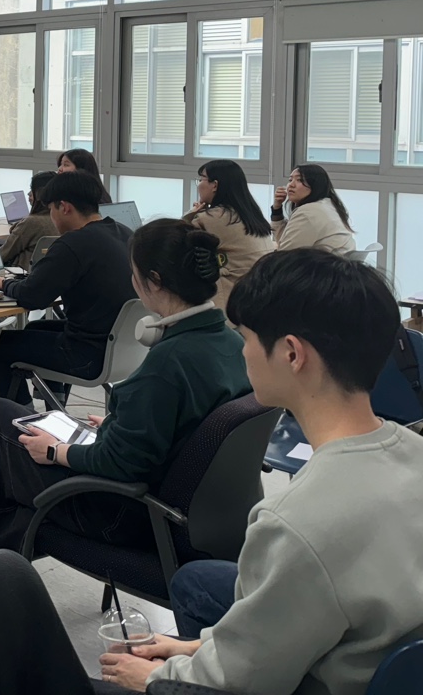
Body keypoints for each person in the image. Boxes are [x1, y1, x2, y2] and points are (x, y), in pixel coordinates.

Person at [99, 249, 423, 694]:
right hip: (383, 648)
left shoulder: (296, 523)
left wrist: (157, 677)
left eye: (246, 337)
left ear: (292, 354)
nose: (243, 350)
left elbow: (242, 680)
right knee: (199, 581)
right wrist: (197, 648)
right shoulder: (412, 449)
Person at [0, 218, 251, 596]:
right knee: (5, 438)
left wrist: (58, 451)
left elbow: (119, 464)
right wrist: (120, 423)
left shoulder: (168, 365)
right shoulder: (233, 345)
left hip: (121, 510)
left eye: (132, 274)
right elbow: (180, 426)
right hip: (186, 508)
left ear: (153, 281)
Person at [0, 171, 134, 401]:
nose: (51, 216)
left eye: (51, 209)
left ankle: (18, 418)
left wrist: (5, 284)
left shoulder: (73, 244)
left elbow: (32, 297)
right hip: (125, 350)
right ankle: (56, 402)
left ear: (64, 207)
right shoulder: (125, 233)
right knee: (33, 331)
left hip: (86, 355)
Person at [183, 159, 273, 311]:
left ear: (215, 185)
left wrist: (191, 214)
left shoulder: (213, 218)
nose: (199, 184)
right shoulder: (251, 213)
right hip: (261, 297)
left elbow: (177, 239)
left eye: (201, 179)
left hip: (233, 303)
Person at [271, 162, 355, 254]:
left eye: (299, 180)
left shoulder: (308, 213)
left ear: (315, 185)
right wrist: (277, 208)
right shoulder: (328, 204)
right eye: (290, 180)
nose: (291, 185)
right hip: (338, 265)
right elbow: (284, 241)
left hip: (326, 266)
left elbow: (285, 254)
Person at [0, 170, 57, 271]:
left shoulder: (32, 223)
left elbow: (3, 254)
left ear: (39, 194)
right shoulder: (62, 220)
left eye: (32, 190)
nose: (29, 194)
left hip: (20, 277)